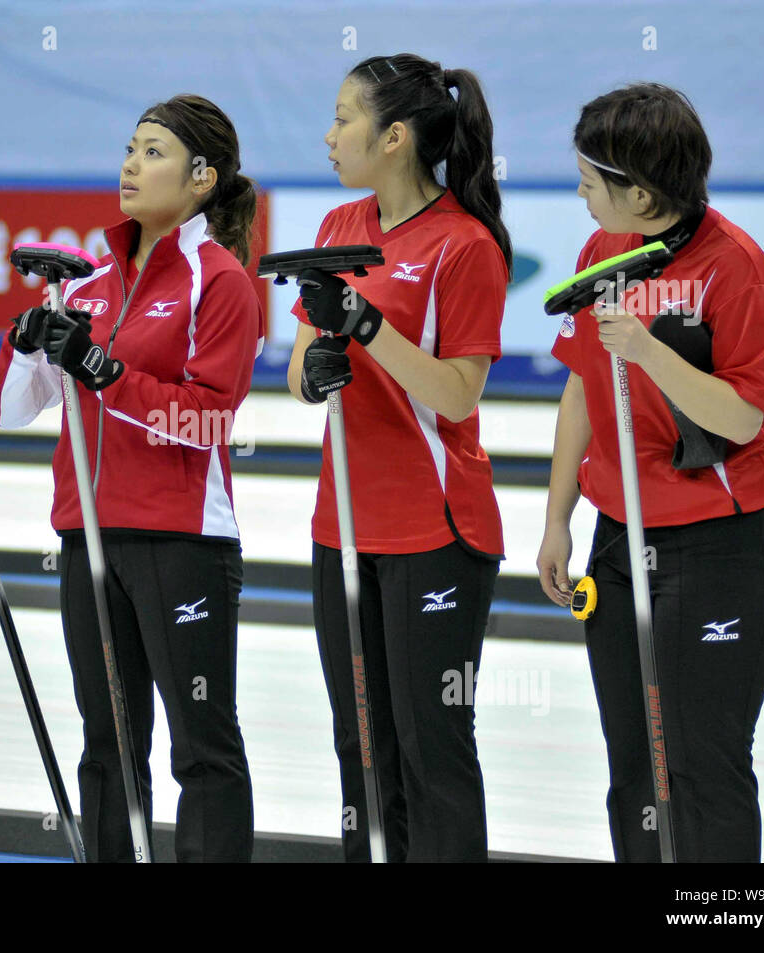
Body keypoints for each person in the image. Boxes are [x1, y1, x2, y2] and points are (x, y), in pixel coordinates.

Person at [0, 94, 263, 862]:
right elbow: (13, 409)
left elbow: (209, 419)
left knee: (200, 743)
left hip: (182, 541)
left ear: (202, 177)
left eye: (153, 152)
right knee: (107, 742)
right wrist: (32, 345)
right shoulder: (83, 284)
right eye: (130, 148)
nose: (131, 165)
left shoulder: (221, 282)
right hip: (89, 538)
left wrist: (105, 372)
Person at [536, 83, 764, 862]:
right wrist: (559, 517)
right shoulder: (600, 254)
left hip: (721, 550)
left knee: (699, 764)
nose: (581, 192)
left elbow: (746, 419)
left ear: (640, 191)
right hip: (620, 545)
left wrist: (649, 349)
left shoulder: (739, 270)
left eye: (591, 178)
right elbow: (582, 383)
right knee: (635, 772)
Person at [287, 54, 512, 862]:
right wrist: (315, 366)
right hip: (342, 523)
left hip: (435, 530)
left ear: (393, 137)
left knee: (431, 751)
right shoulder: (336, 231)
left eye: (344, 116)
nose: (330, 132)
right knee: (363, 749)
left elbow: (456, 394)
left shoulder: (465, 245)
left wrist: (369, 328)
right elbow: (301, 368)